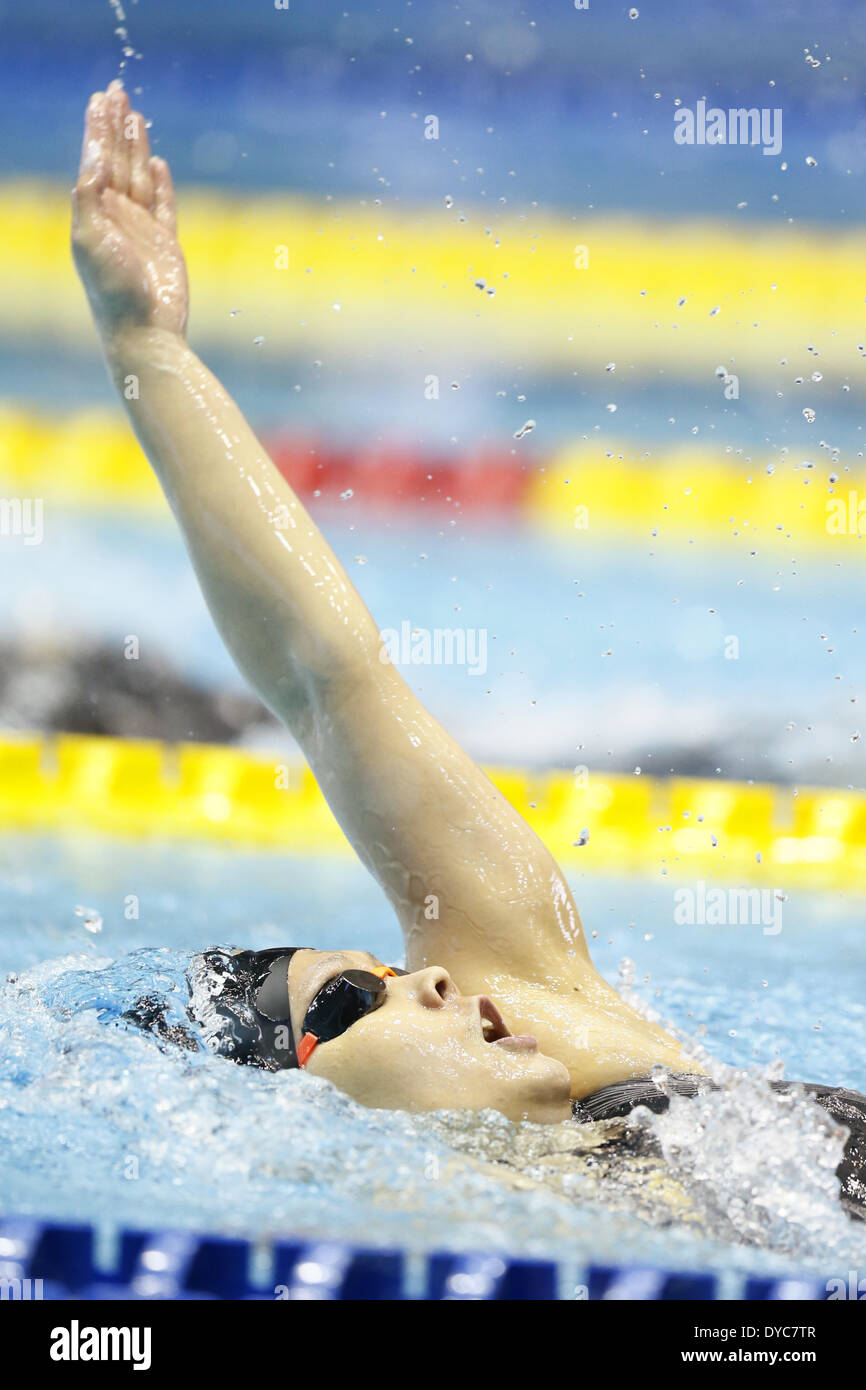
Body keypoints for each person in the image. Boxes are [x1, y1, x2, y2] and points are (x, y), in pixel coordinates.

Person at [71, 85, 866, 1219]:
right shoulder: (449, 1219)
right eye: (352, 1001)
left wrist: (144, 343)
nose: (431, 975)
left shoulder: (550, 1011)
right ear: (308, 1095)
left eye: (384, 974)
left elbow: (326, 673)